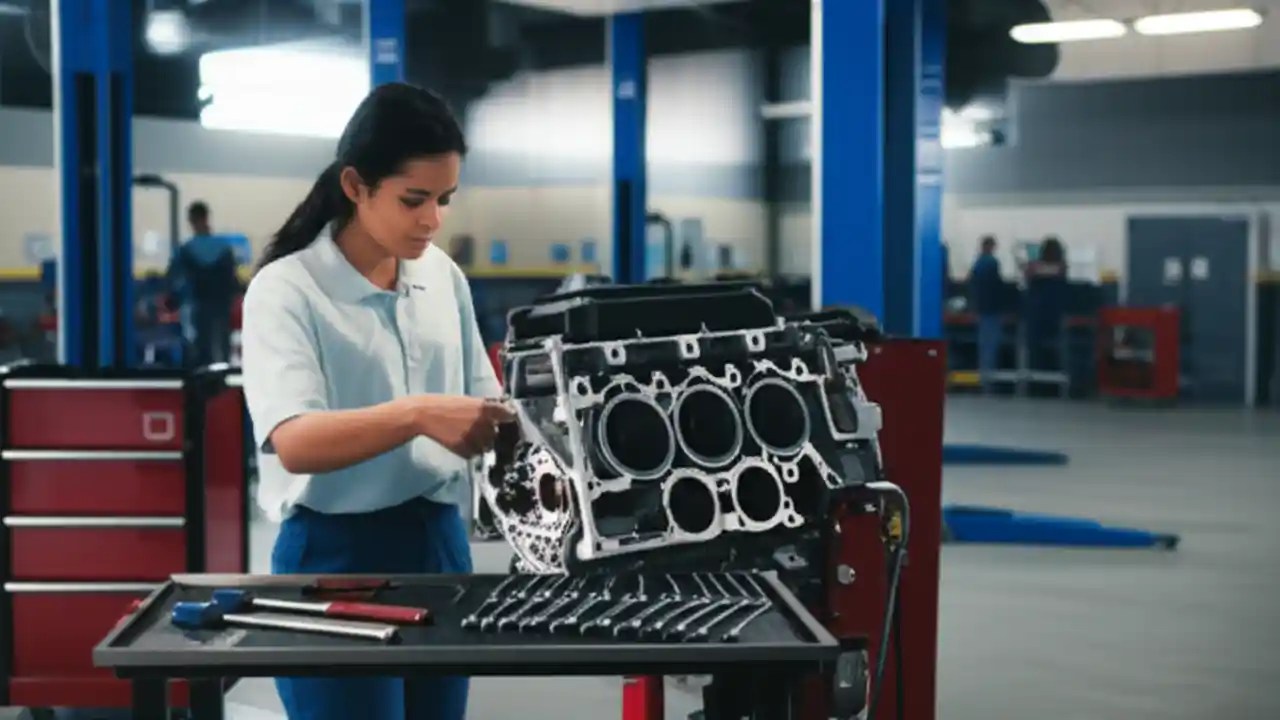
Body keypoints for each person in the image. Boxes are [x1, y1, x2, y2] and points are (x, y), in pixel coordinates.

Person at [239, 83, 516, 720]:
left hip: (440, 544)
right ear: (356, 186)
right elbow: (296, 440)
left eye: (445, 200)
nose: (433, 220)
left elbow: (484, 401)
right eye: (413, 200)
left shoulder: (441, 276)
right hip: (337, 552)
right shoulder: (288, 290)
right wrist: (417, 413)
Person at [167, 201, 240, 366]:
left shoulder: (186, 250)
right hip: (221, 306)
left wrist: (173, 300)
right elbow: (232, 280)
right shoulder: (223, 248)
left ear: (191, 220)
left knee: (199, 349)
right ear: (207, 217)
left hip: (196, 307)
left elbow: (175, 281)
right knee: (222, 346)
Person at [969, 235, 1004, 392]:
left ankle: (984, 381)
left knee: (984, 346)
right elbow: (997, 287)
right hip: (992, 310)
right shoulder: (992, 263)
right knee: (990, 345)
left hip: (981, 309)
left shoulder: (978, 263)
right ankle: (988, 382)